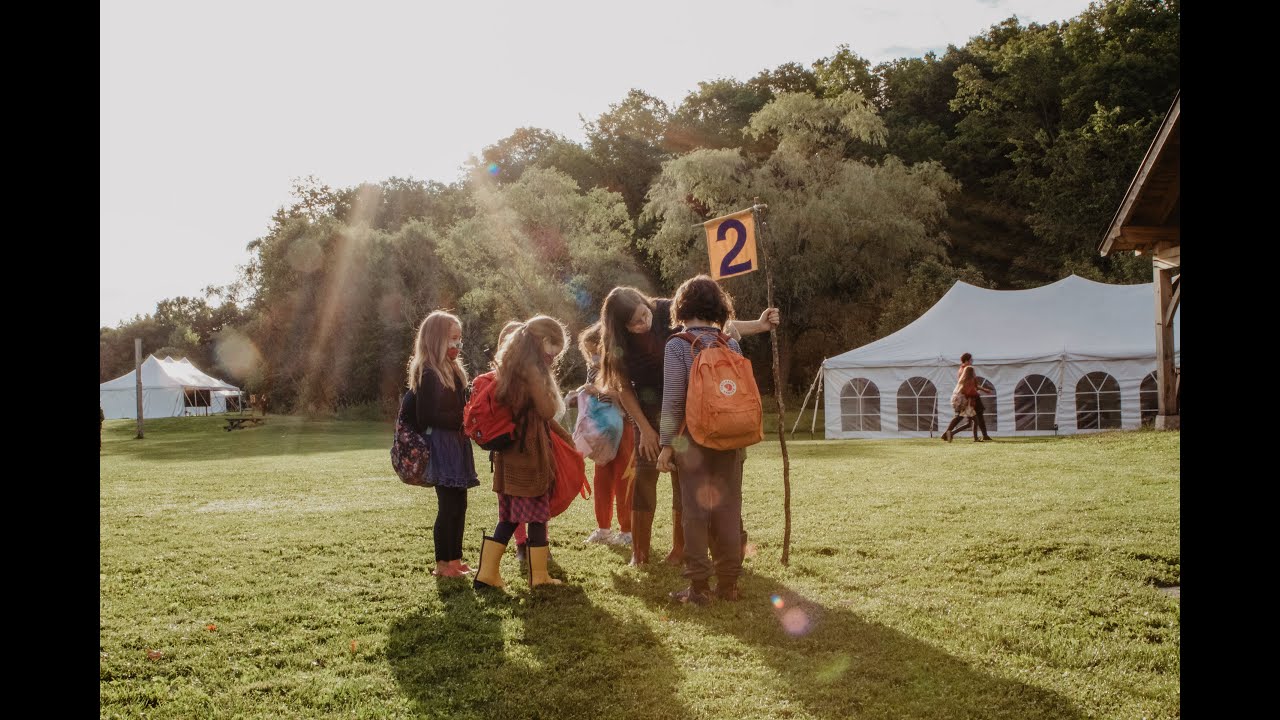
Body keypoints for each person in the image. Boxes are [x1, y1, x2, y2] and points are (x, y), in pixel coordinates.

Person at [598, 286, 778, 566]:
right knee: (644, 477)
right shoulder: (616, 342)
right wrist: (645, 429)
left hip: (688, 407)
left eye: (644, 314)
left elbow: (715, 327)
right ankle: (640, 552)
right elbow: (623, 388)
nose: (643, 323)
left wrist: (759, 324)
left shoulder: (668, 310)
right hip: (646, 413)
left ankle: (680, 549)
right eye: (635, 322)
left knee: (683, 479)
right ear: (621, 327)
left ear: (648, 305)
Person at [655, 275, 749, 605]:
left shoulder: (678, 345)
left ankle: (698, 587)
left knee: (694, 511)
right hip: (730, 438)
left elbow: (673, 400)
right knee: (727, 508)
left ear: (681, 306)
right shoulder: (731, 343)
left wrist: (667, 445)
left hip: (692, 441)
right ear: (718, 306)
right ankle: (729, 584)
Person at [473, 316, 576, 590]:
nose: (555, 355)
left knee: (509, 517)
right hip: (528, 455)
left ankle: (486, 574)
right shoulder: (531, 369)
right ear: (544, 341)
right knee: (537, 516)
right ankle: (539, 576)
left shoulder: (511, 365)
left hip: (509, 454)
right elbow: (547, 411)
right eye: (555, 347)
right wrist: (545, 384)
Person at [407, 310, 480, 578]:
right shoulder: (428, 372)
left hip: (458, 444)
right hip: (441, 445)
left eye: (459, 340)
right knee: (447, 505)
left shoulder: (455, 369)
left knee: (460, 504)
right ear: (436, 339)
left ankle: (455, 558)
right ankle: (442, 564)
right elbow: (425, 416)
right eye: (452, 339)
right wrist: (460, 419)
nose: (457, 345)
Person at [575, 321, 635, 547]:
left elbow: (627, 394)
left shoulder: (622, 362)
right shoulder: (593, 368)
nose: (592, 357)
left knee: (624, 477)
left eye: (596, 351)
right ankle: (603, 528)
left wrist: (599, 392)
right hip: (603, 430)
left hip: (624, 426)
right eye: (589, 352)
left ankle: (627, 529)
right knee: (601, 477)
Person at [941, 353, 993, 442]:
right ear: (966, 360)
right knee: (974, 418)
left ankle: (948, 433)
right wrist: (979, 392)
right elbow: (972, 387)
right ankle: (981, 437)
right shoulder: (968, 370)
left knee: (965, 419)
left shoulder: (963, 370)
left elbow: (971, 386)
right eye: (971, 360)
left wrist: (982, 390)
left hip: (965, 399)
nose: (972, 362)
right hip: (969, 399)